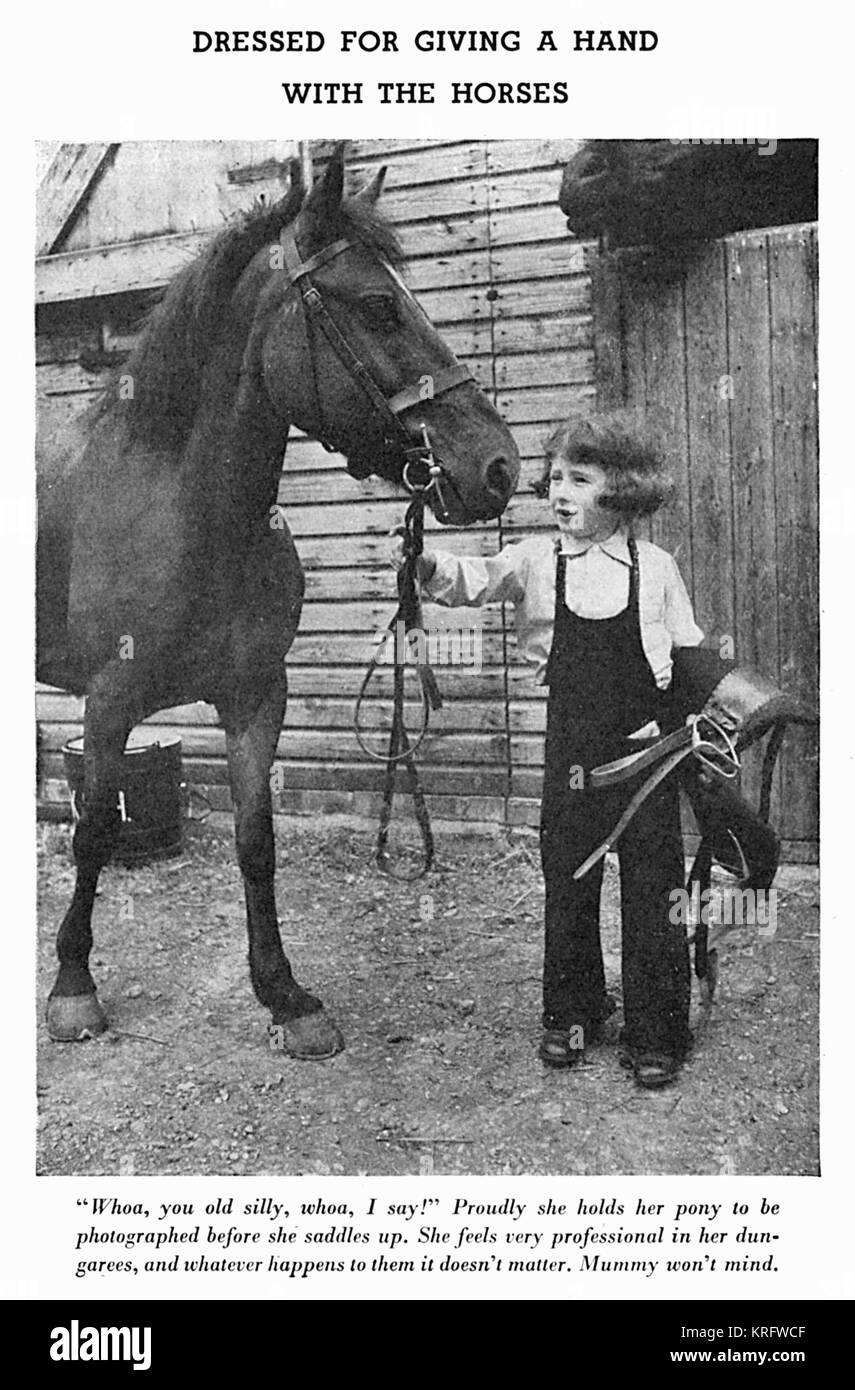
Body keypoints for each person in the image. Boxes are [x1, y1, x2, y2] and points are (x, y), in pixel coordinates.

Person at [404, 411, 704, 1089]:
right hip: (569, 747)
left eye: (580, 478)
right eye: (554, 480)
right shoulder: (536, 561)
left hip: (646, 755)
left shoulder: (654, 567)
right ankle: (574, 1015)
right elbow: (470, 577)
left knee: (653, 886)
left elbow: (688, 653)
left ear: (621, 488)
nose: (559, 493)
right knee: (568, 881)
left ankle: (656, 1031)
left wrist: (715, 718)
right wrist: (422, 563)